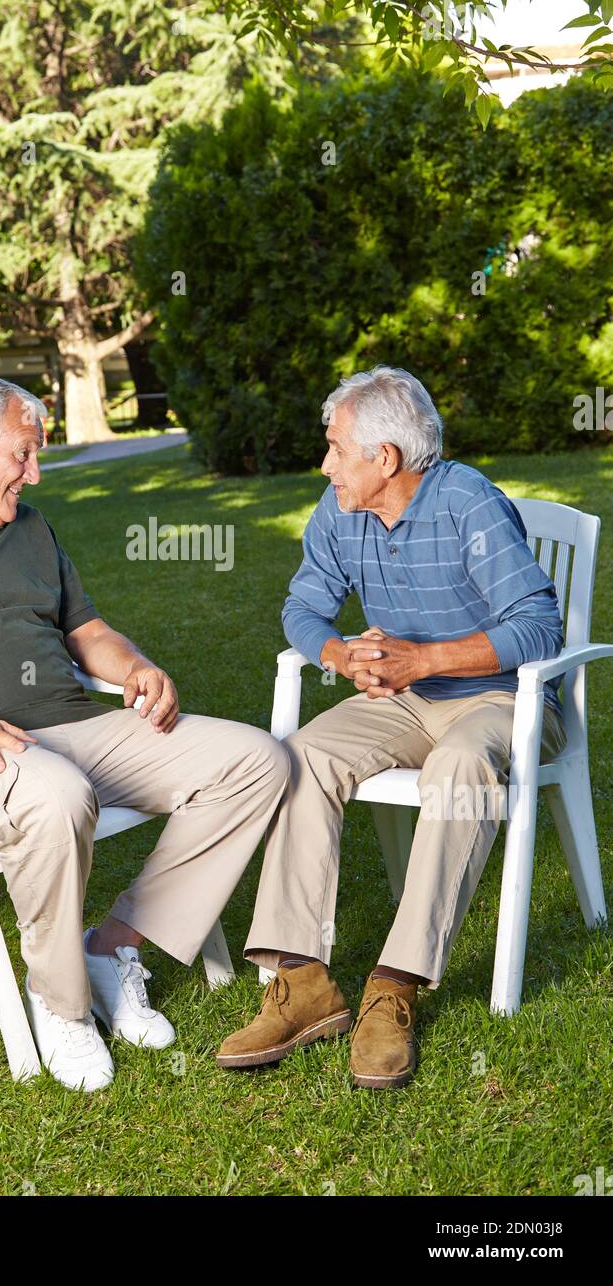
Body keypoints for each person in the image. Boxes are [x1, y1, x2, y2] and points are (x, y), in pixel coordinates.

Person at [0, 375, 289, 1092]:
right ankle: (62, 1005)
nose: (33, 474)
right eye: (23, 455)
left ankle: (111, 949)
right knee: (55, 792)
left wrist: (134, 666)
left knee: (257, 760)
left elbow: (89, 632)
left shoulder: (32, 528)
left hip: (77, 724)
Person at [216, 366, 566, 1089]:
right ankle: (304, 981)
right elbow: (302, 608)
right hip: (402, 701)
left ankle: (394, 985)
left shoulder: (469, 503)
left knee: (460, 765)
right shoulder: (339, 510)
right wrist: (342, 655)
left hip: (502, 700)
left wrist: (424, 658)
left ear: (386, 459)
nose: (325, 464)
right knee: (301, 756)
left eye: (337, 449)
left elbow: (539, 630)